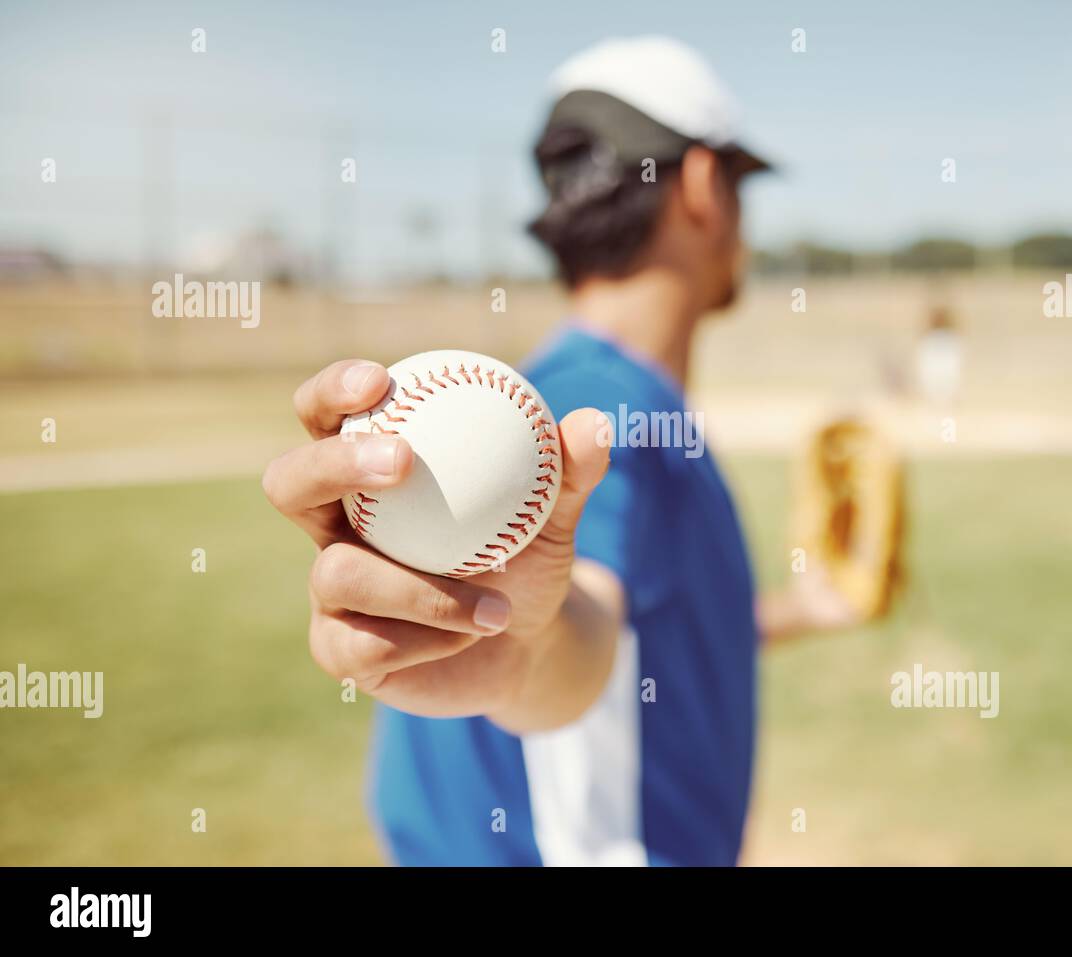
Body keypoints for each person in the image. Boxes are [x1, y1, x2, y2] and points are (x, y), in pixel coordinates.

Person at [261, 36, 855, 866]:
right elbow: (581, 623)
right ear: (699, 189)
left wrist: (806, 608)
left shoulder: (568, 390)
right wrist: (523, 653)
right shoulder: (605, 415)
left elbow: (643, 624)